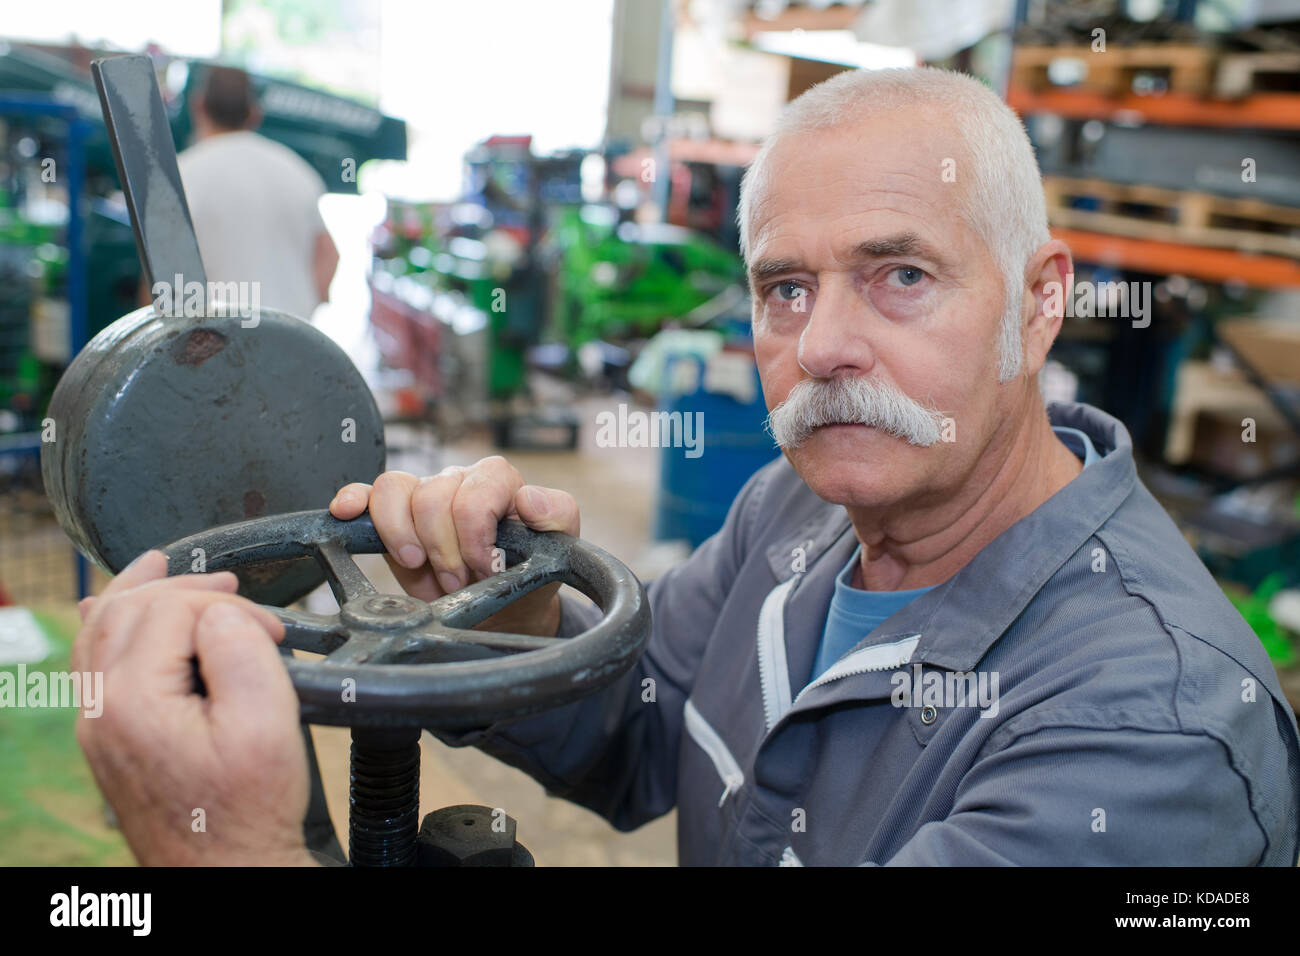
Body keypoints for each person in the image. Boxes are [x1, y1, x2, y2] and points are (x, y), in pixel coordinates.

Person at [75, 67, 1300, 866]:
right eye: (784, 288)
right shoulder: (794, 510)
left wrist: (231, 852)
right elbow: (638, 743)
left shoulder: (1150, 727)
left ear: (1039, 305)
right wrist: (511, 602)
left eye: (901, 275)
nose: (820, 346)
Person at [171, 65, 338, 322]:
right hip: (293, 340)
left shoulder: (181, 174)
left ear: (198, 106)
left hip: (213, 345)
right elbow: (329, 256)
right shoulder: (298, 171)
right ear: (254, 113)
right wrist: (301, 306)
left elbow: (163, 275)